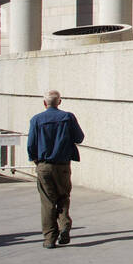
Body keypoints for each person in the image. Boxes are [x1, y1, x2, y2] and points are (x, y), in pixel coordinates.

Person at [26, 90, 84, 248]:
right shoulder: (67, 117)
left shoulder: (36, 120)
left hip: (44, 165)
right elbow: (79, 138)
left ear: (44, 103)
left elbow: (31, 145)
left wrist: (36, 160)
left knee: (48, 202)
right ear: (59, 102)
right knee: (63, 197)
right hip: (63, 165)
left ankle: (50, 238)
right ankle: (64, 225)